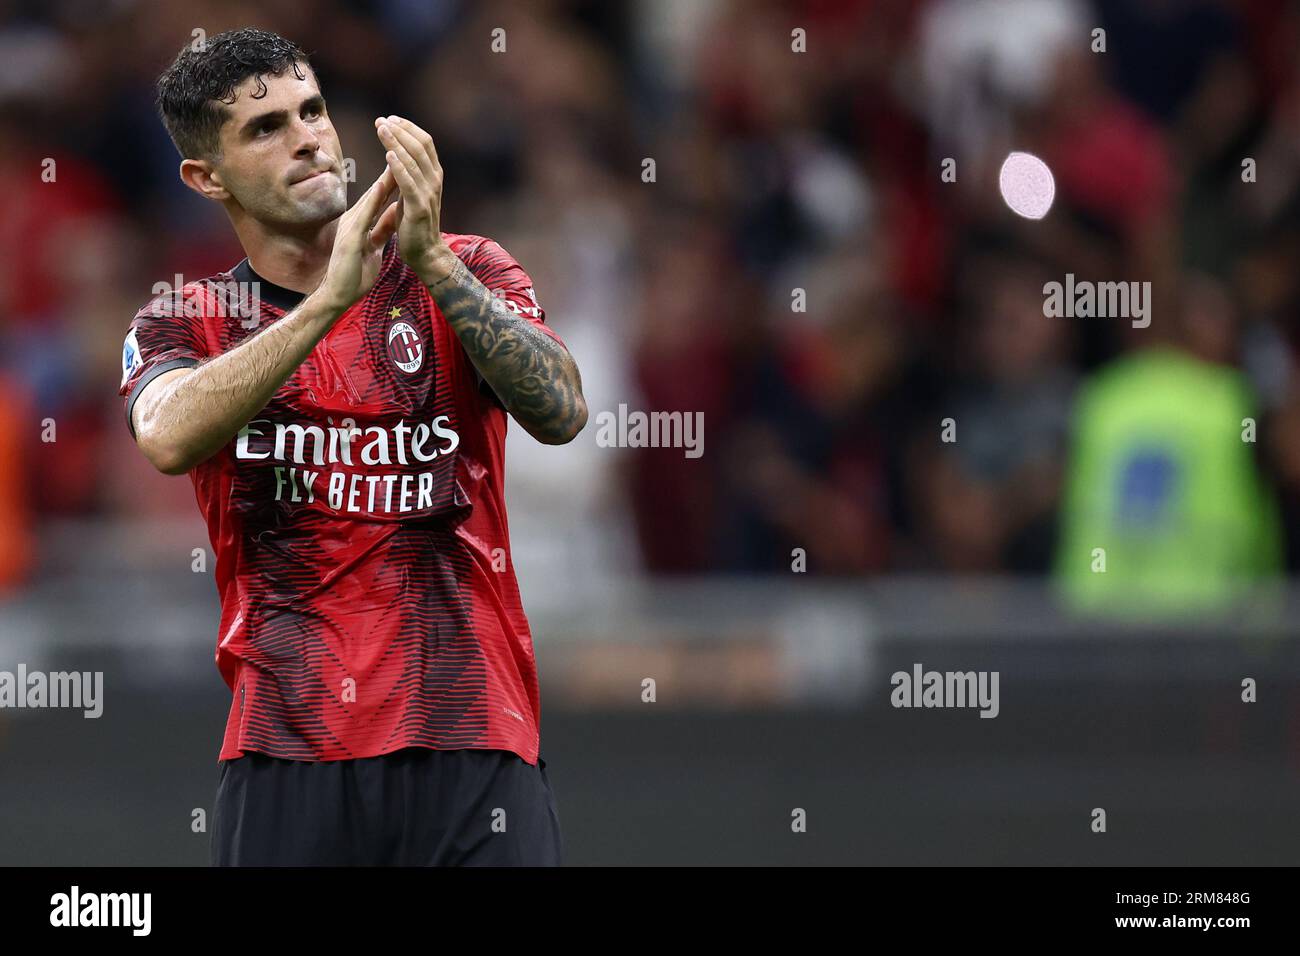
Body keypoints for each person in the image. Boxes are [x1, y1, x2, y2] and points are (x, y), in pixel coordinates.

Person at [119, 28, 586, 865]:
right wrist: (328, 302)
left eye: (312, 111)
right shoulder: (186, 319)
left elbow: (562, 410)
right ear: (206, 177)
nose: (306, 138)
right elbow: (165, 433)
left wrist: (435, 265)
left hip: (472, 732)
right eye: (265, 128)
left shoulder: (465, 267)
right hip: (287, 745)